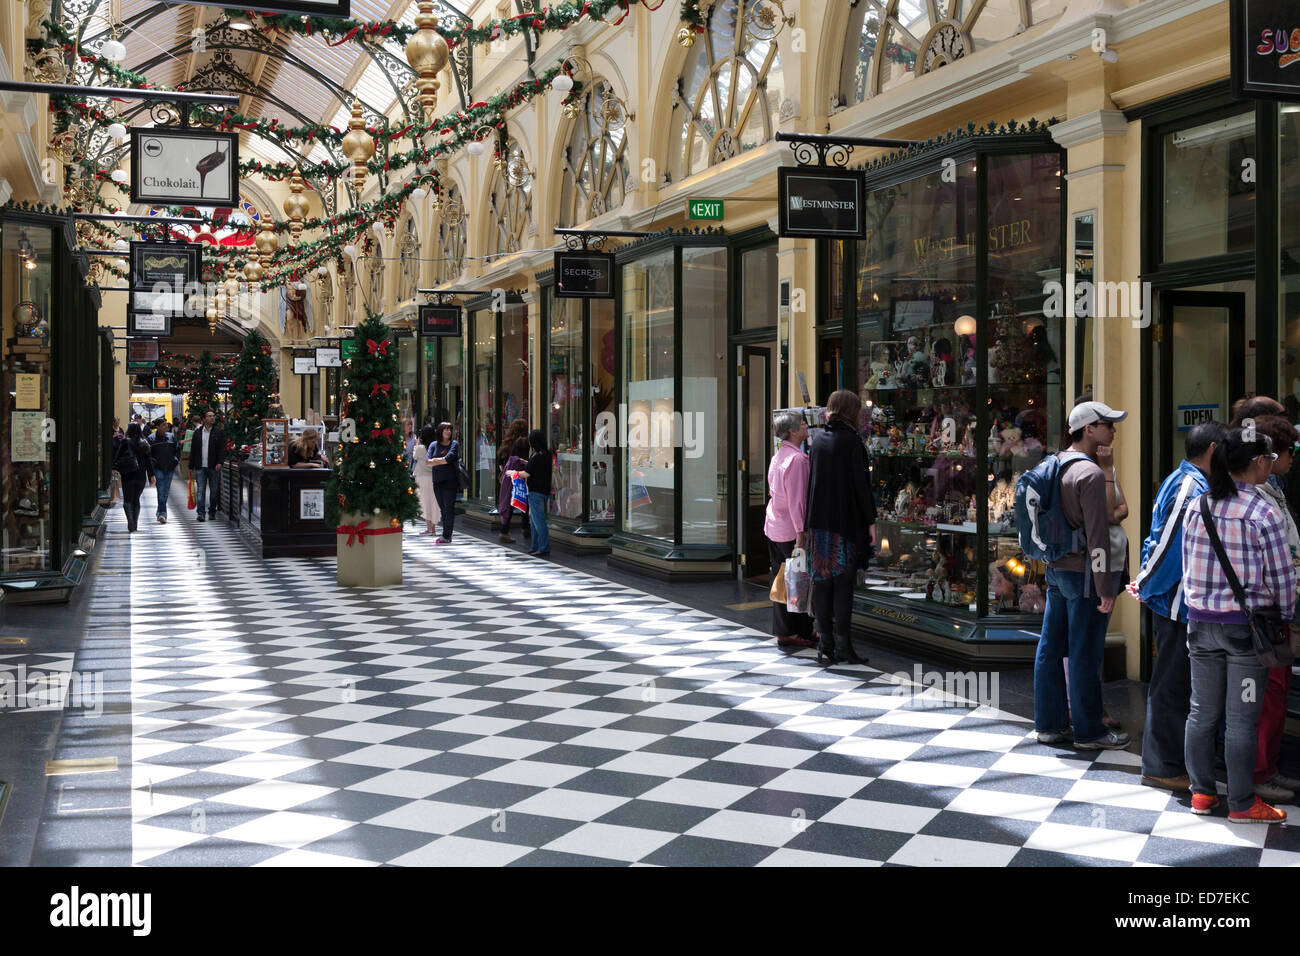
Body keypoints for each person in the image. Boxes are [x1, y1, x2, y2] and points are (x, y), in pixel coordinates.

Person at [1181, 427, 1295, 824]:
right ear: (1258, 462)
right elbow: (1282, 580)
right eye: (1268, 459)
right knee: (1242, 719)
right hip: (1246, 633)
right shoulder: (1263, 513)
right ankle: (1243, 803)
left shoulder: (1199, 506)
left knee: (1201, 712)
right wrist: (1287, 615)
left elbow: (1187, 566)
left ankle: (1201, 793)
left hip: (1199, 625)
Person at [1129, 420, 1225, 791]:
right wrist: (1146, 584)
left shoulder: (1192, 482)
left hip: (1179, 601)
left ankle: (1170, 760)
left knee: (1179, 684)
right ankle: (1162, 765)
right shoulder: (1189, 486)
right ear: (1214, 450)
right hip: (1175, 603)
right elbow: (1168, 546)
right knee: (1172, 684)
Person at [1033, 400, 1131, 750]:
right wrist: (1107, 585)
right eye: (1108, 424)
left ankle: (1049, 724)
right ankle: (1091, 731)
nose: (1113, 429)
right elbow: (1098, 535)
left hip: (1057, 569)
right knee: (1085, 652)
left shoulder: (1055, 463)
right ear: (1089, 429)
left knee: (1050, 647)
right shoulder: (1088, 472)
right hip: (1086, 574)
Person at [1246, 415, 1300, 804]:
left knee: (1277, 689)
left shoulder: (1273, 489)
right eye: (1289, 450)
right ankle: (1259, 769)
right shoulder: (1255, 500)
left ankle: (1271, 766)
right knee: (1266, 690)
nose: (1293, 458)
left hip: (1279, 604)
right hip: (1265, 607)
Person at [805, 390, 876, 666]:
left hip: (819, 525)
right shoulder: (853, 443)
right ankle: (844, 645)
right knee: (844, 587)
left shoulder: (818, 440)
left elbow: (812, 485)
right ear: (851, 411)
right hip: (845, 526)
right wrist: (871, 522)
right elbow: (861, 488)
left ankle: (825, 643)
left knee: (822, 583)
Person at [764, 411, 815, 650]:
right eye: (803, 424)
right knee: (795, 581)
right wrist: (801, 534)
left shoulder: (779, 456)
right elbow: (798, 502)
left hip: (774, 524)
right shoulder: (797, 461)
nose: (807, 426)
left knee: (781, 579)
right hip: (789, 530)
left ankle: (789, 629)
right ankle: (794, 631)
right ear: (793, 431)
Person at [188, 410, 225, 522]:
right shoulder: (198, 433)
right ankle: (201, 513)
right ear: (204, 419)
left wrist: (220, 462)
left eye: (213, 416)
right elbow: (193, 450)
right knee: (200, 490)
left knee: (214, 491)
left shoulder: (219, 433)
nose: (212, 418)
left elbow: (222, 449)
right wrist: (191, 465)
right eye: (209, 416)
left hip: (213, 466)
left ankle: (212, 511)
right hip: (200, 466)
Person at [115, 422, 152, 533]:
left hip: (128, 474)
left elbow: (117, 456)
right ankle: (135, 523)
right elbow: (148, 461)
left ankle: (130, 520)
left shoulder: (125, 441)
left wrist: (114, 468)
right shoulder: (145, 443)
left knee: (127, 499)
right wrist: (151, 475)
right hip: (141, 475)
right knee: (136, 499)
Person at [427, 422, 460, 543]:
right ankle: (446, 534)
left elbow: (449, 458)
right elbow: (427, 461)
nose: (448, 432)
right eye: (446, 429)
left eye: (450, 430)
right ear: (440, 431)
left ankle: (446, 536)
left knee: (448, 508)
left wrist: (436, 460)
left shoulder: (454, 444)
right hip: (437, 481)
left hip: (450, 482)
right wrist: (441, 460)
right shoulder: (434, 445)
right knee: (442, 509)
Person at [525, 429, 552, 557]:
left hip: (535, 492)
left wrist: (514, 473)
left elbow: (527, 472)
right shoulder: (546, 455)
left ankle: (543, 547)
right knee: (535, 520)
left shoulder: (536, 456)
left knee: (538, 521)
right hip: (544, 491)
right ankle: (535, 546)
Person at [497, 437, 529, 544]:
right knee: (521, 503)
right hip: (516, 485)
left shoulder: (511, 455)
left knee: (510, 505)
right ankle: (524, 527)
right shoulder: (520, 461)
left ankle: (506, 530)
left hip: (508, 485)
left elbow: (500, 461)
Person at [148, 420, 179, 524]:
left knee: (165, 491)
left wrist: (175, 460)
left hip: (169, 468)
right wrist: (153, 466)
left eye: (166, 425)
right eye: (164, 425)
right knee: (161, 491)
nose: (166, 426)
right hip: (158, 468)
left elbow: (177, 449)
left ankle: (159, 512)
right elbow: (149, 454)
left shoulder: (171, 437)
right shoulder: (151, 438)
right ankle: (162, 513)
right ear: (158, 427)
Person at [412, 425, 440, 535]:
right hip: (434, 476)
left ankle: (429, 528)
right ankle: (433, 528)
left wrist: (417, 443)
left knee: (424, 502)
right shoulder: (436, 446)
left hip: (422, 477)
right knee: (434, 502)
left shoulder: (420, 448)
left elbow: (414, 457)